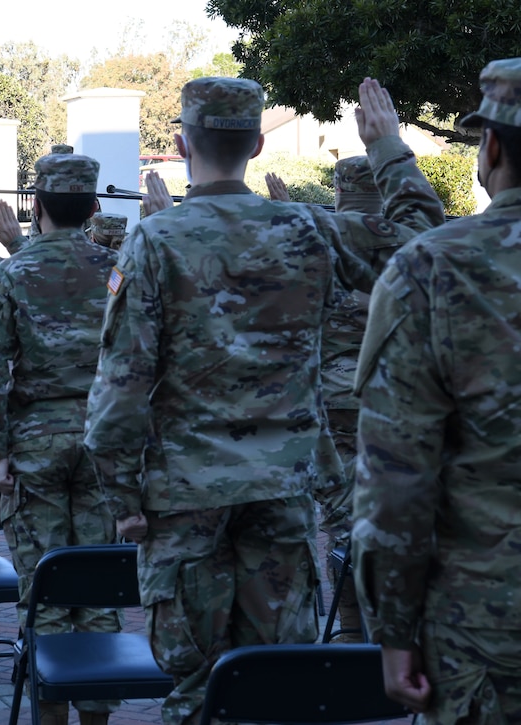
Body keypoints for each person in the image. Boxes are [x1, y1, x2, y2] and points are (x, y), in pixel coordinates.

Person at [83, 75, 445, 725]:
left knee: (195, 683)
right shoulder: (309, 228)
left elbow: (120, 386)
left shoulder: (155, 241)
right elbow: (421, 244)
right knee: (279, 681)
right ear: (255, 144)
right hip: (285, 489)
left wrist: (123, 500)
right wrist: (388, 146)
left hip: (184, 496)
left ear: (181, 142)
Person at [352, 57, 521, 722]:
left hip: (488, 629)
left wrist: (394, 630)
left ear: (494, 143)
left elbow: (399, 477)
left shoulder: (433, 267)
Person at [0, 154, 119, 725]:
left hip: (34, 443)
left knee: (45, 582)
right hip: (103, 441)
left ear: (35, 207)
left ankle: (51, 714)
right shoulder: (118, 268)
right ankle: (97, 717)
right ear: (93, 208)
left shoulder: (9, 273)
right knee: (101, 580)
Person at [265, 156, 436, 644]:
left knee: (340, 516)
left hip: (332, 403)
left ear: (338, 191)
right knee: (396, 514)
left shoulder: (317, 239)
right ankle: (396, 632)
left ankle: (350, 630)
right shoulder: (403, 244)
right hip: (394, 402)